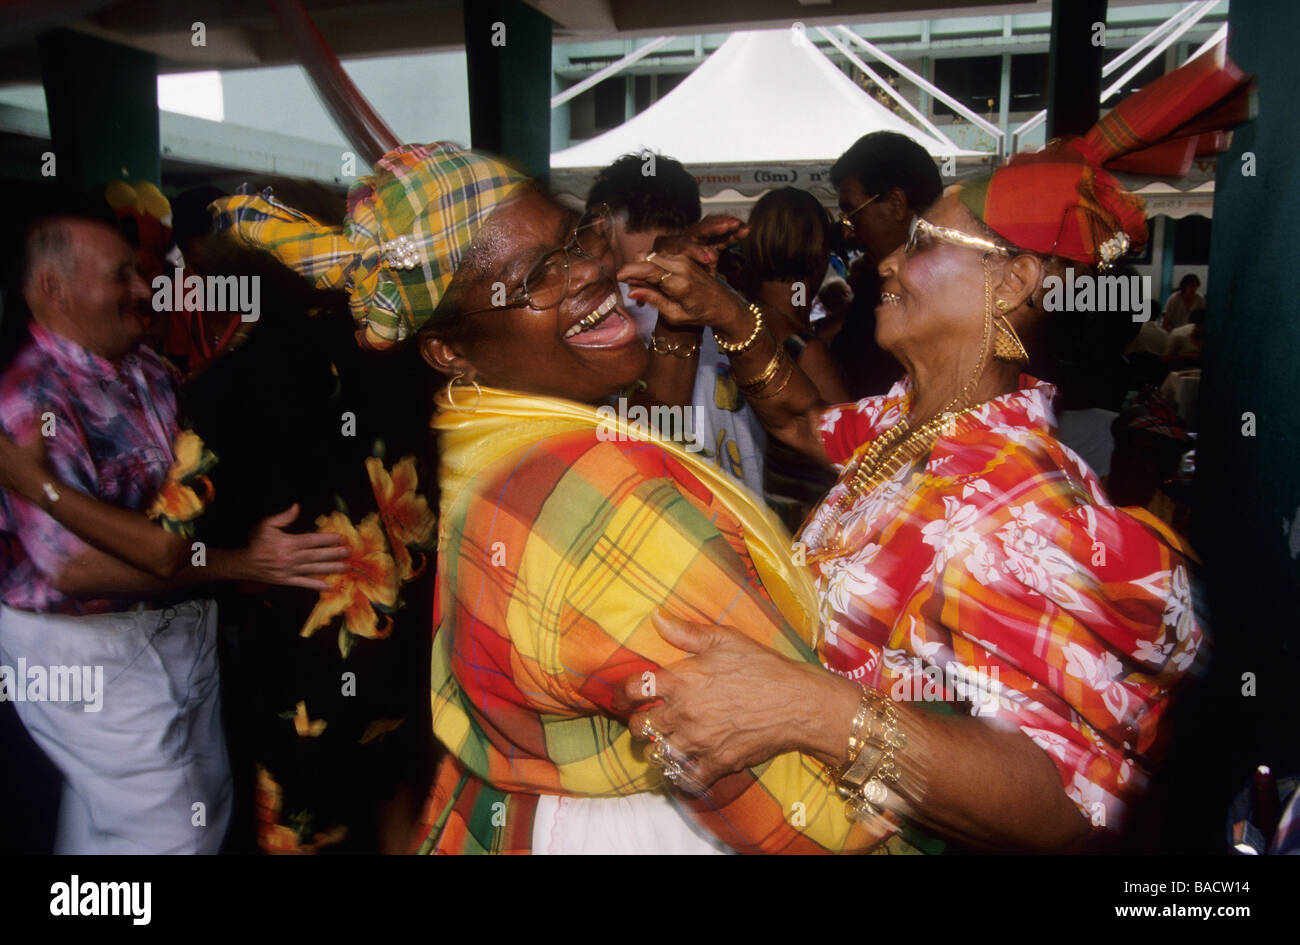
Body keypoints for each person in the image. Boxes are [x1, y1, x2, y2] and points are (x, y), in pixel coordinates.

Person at [615, 46, 1250, 851]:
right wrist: (716, 307)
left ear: (1012, 283)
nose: (885, 258)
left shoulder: (1027, 507)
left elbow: (1065, 802)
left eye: (921, 244)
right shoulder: (911, 422)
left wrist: (814, 709)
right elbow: (797, 421)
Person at [224, 142, 897, 854]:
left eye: (577, 236)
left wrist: (697, 321)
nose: (588, 268)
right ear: (450, 352)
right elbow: (798, 813)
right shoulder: (606, 505)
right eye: (539, 273)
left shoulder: (473, 436)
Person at [0, 212, 342, 853]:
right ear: (54, 289)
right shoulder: (26, 400)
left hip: (176, 621)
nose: (145, 288)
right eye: (122, 275)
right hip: (82, 644)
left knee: (174, 806)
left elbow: (185, 505)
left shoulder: (145, 368)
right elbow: (76, 566)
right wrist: (246, 563)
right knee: (163, 830)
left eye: (141, 270)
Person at [587, 153, 767, 496]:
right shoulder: (730, 301)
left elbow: (639, 437)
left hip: (671, 519)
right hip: (745, 521)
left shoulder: (607, 315)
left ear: (601, 222)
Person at [733, 187, 847, 524]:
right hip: (807, 519)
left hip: (761, 509)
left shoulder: (740, 324)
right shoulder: (804, 349)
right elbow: (854, 449)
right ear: (818, 252)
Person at [829, 131, 942, 399]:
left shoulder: (956, 297)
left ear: (896, 204)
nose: (848, 233)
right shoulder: (874, 287)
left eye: (852, 215)